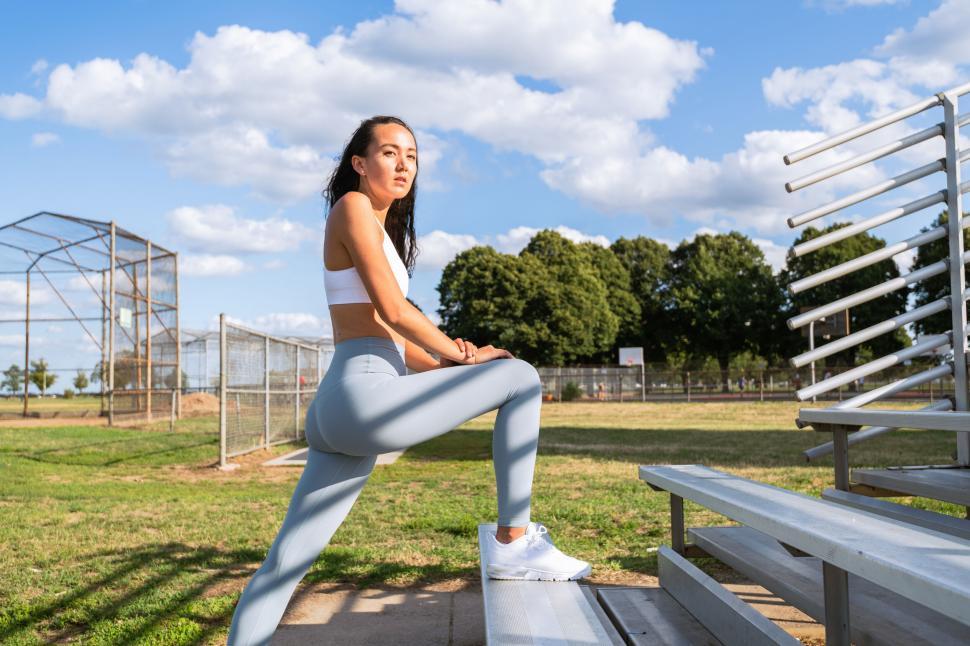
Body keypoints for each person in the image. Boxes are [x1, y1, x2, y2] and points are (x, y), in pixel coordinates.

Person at [227, 116, 590, 645]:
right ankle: (513, 543)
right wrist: (464, 354)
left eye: (412, 157)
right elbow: (395, 312)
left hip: (344, 406)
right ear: (360, 162)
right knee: (522, 378)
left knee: (284, 567)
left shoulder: (380, 234)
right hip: (364, 398)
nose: (403, 165)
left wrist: (450, 366)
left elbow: (397, 342)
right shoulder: (351, 208)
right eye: (390, 153)